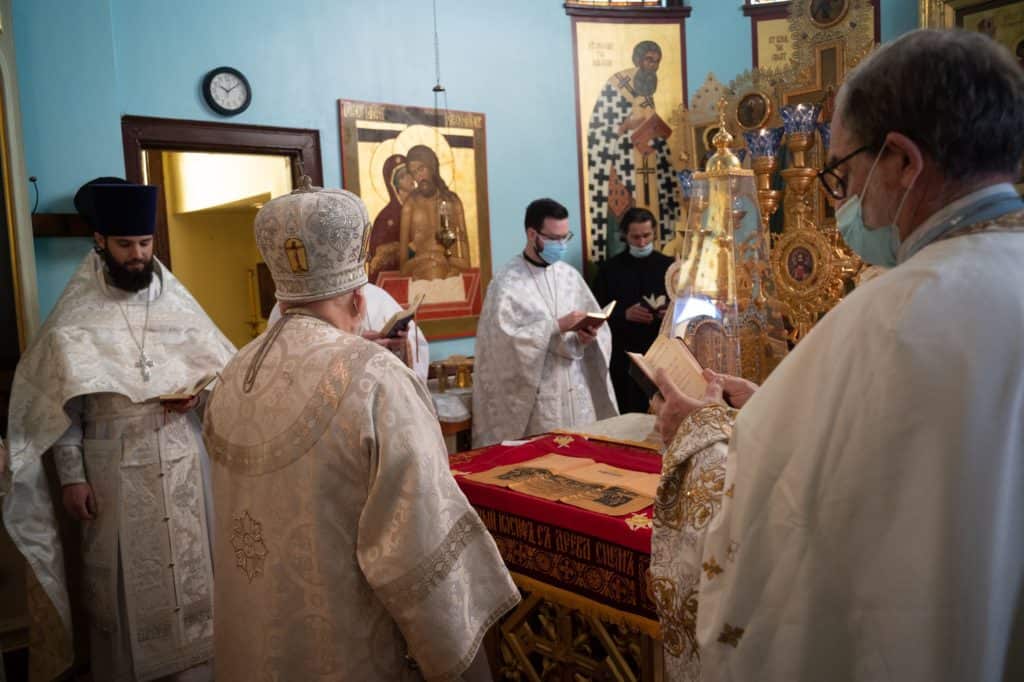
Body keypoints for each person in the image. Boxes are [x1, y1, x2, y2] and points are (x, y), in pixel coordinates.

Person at [648, 30, 1024, 681]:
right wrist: (776, 409)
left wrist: (701, 434)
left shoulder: (894, 319)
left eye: (845, 174)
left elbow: (784, 547)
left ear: (902, 163)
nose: (845, 201)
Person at [204, 180, 518, 681]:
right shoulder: (373, 376)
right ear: (358, 300)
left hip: (254, 635)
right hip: (345, 646)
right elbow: (419, 540)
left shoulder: (231, 374)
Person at [3, 179, 235, 681]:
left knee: (197, 575)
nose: (137, 255)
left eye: (145, 244)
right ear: (100, 242)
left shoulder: (177, 306)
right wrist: (71, 478)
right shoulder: (73, 320)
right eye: (126, 245)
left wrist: (199, 393)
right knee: (129, 587)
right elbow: (59, 409)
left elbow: (222, 373)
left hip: (182, 455)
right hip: (112, 464)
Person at [473, 198, 618, 446]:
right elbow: (502, 344)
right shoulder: (507, 283)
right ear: (532, 234)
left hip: (577, 387)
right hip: (540, 397)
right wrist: (557, 325)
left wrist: (587, 337)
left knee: (584, 462)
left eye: (565, 237)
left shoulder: (569, 276)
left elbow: (594, 332)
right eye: (553, 238)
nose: (561, 245)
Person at [586, 40, 679, 262]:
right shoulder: (617, 85)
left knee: (654, 212)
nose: (652, 66)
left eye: (656, 62)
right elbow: (597, 129)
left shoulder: (647, 87)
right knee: (621, 219)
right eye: (648, 60)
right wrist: (626, 125)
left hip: (646, 167)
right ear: (637, 59)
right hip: (620, 168)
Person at [591, 207, 673, 413]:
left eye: (647, 235)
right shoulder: (609, 269)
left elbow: (685, 308)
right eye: (636, 237)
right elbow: (596, 312)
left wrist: (670, 314)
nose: (642, 242)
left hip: (660, 351)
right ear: (625, 236)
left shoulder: (669, 267)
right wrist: (623, 314)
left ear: (654, 232)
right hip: (623, 353)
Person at [267, 281, 430, 382]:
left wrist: (402, 345)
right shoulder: (285, 306)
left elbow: (418, 347)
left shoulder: (377, 296)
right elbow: (281, 370)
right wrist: (356, 349)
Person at [399, 144, 470, 280]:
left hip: (450, 279)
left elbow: (466, 262)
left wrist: (446, 260)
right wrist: (428, 257)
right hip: (420, 281)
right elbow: (403, 268)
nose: (419, 177)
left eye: (421, 169)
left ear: (432, 167)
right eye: (414, 173)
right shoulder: (410, 205)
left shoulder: (453, 202)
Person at [367, 153, 413, 282]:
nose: (411, 178)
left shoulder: (418, 210)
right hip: (393, 279)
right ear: (395, 183)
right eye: (404, 176)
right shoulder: (385, 217)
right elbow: (377, 256)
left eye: (410, 173)